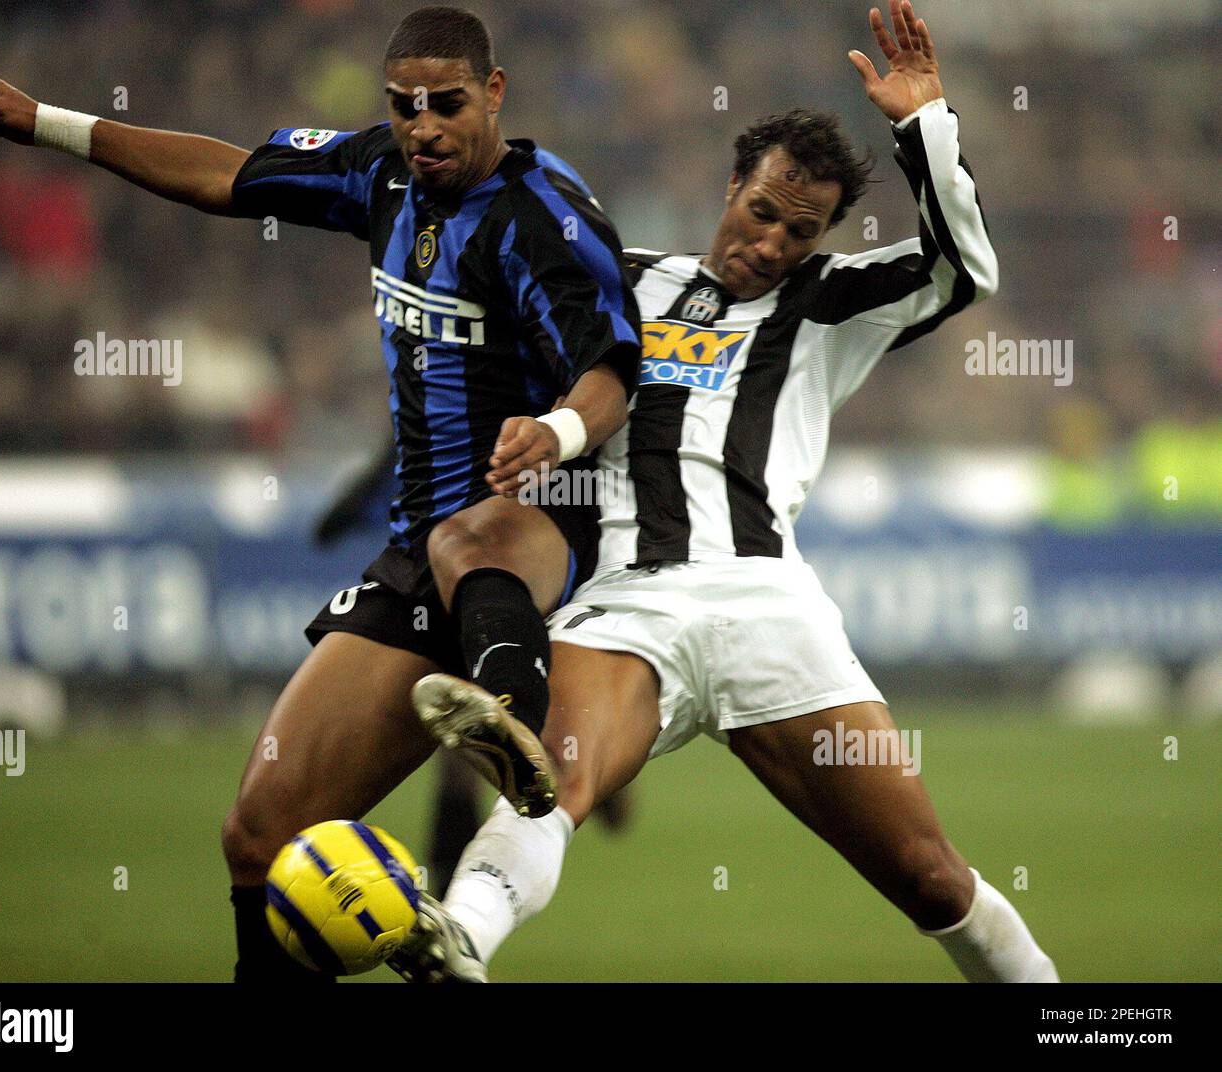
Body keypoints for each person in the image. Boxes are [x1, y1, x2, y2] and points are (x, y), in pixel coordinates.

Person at [0, 4, 642, 982]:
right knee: (260, 834)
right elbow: (224, 172)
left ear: (495, 93)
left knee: (472, 542)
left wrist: (553, 430)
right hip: (415, 544)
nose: (424, 125)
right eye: (404, 106)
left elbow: (615, 372)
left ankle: (509, 714)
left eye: (446, 103)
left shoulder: (547, 216)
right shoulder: (379, 171)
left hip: (537, 519)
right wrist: (47, 122)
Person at [397, 1, 1059, 983]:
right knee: (548, 787)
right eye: (759, 212)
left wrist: (923, 122)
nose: (770, 244)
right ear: (728, 186)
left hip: (766, 608)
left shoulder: (831, 305)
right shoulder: (614, 280)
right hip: (626, 605)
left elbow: (967, 267)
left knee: (927, 876)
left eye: (798, 230)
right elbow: (473, 322)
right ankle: (460, 944)